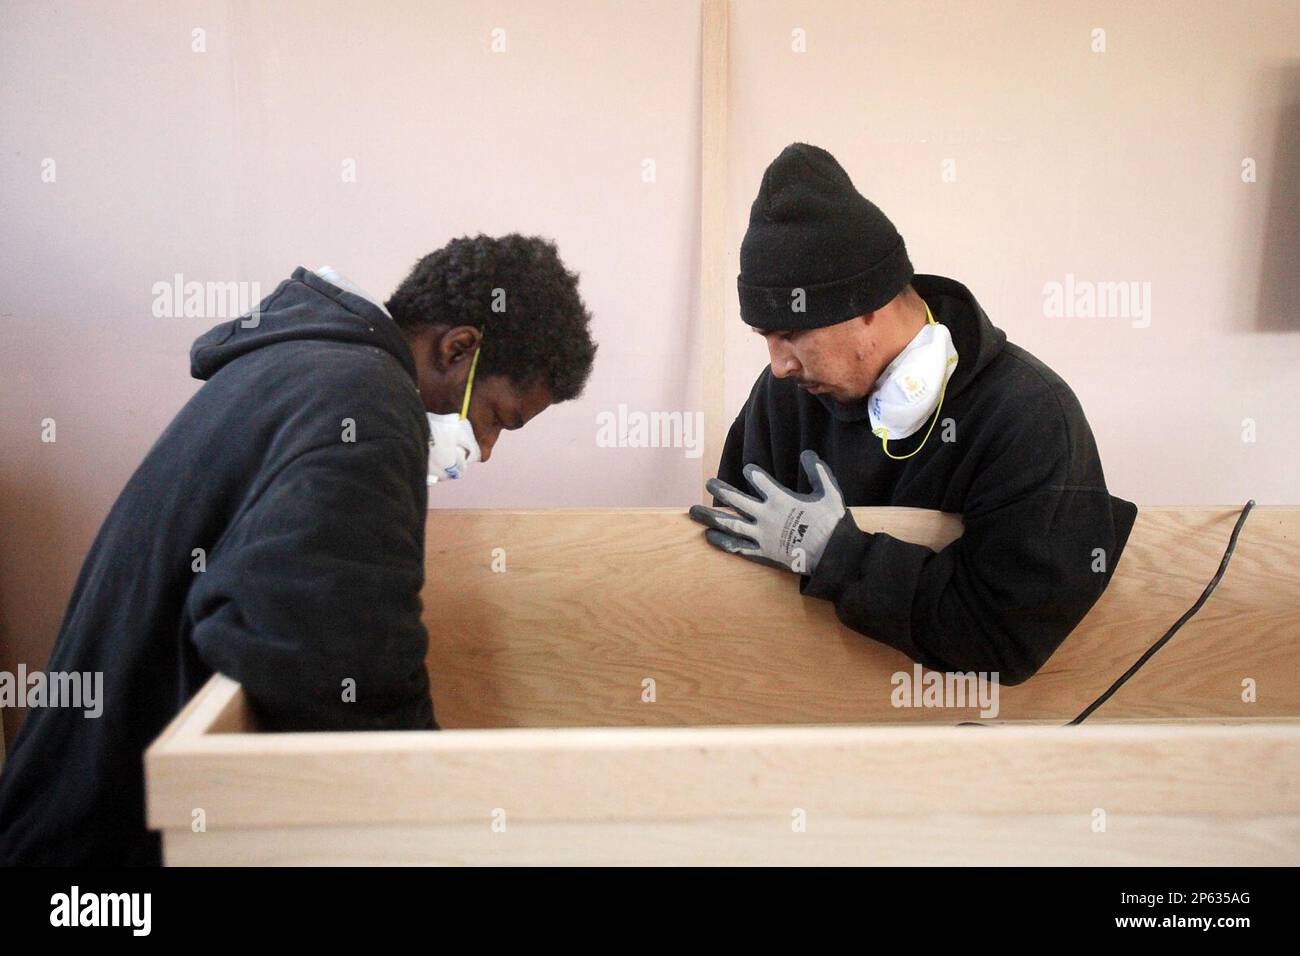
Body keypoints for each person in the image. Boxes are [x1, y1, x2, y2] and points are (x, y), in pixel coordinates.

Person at [0, 234, 597, 865]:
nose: (484, 448)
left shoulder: (309, 368)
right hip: (97, 858)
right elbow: (327, 655)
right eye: (498, 418)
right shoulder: (365, 405)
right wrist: (435, 812)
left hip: (70, 812)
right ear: (459, 348)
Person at [690, 143, 1137, 685]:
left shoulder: (1028, 416)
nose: (779, 365)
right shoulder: (784, 396)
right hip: (797, 712)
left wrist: (840, 556)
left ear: (868, 308)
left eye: (792, 335)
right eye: (765, 337)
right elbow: (735, 558)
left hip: (964, 741)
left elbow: (1007, 635)